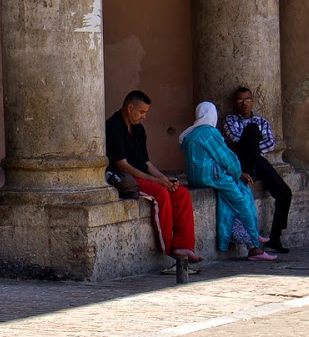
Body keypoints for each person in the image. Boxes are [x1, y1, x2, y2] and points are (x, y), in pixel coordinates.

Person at [105, 90, 202, 271]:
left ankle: (185, 246)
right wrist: (157, 183)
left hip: (142, 174)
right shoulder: (112, 127)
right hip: (124, 178)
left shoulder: (139, 129)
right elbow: (122, 165)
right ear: (130, 107)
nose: (144, 116)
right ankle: (172, 250)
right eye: (141, 112)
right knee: (161, 194)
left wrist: (164, 178)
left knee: (180, 192)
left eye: (146, 113)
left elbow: (146, 162)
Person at [179, 102, 277, 261]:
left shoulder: (189, 134)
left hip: (195, 178)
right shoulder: (209, 133)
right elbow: (227, 159)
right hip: (211, 176)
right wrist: (238, 173)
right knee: (242, 197)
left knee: (228, 201)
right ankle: (255, 244)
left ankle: (251, 242)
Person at [221, 86, 294, 254]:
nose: (244, 103)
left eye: (247, 99)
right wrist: (252, 142)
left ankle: (275, 237)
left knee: (284, 193)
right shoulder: (230, 120)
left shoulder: (261, 121)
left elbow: (270, 143)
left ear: (252, 101)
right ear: (235, 103)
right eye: (240, 100)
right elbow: (235, 139)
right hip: (239, 160)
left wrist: (252, 146)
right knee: (252, 130)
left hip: (257, 160)